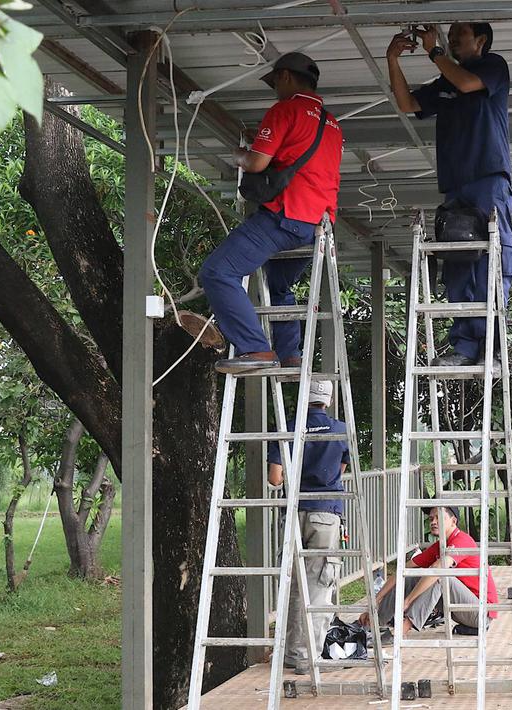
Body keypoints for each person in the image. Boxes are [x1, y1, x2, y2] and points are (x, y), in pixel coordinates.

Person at [197, 52, 343, 374]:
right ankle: (290, 354)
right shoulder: (332, 123)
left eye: (275, 82)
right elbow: (301, 158)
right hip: (319, 225)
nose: (275, 89)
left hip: (286, 216)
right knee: (278, 285)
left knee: (217, 272)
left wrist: (240, 155)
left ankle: (256, 349)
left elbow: (256, 163)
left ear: (286, 77)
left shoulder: (285, 109)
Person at [386, 23, 512, 370]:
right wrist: (393, 60)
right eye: (451, 33)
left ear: (481, 41)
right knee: (459, 262)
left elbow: (468, 83)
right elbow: (408, 103)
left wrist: (434, 52)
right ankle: (465, 346)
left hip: (488, 178)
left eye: (461, 33)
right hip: (456, 184)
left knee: (493, 258)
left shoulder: (493, 67)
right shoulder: (446, 81)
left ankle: (493, 345)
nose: (453, 37)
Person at [267, 380, 350, 673]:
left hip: (293, 513)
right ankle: (308, 657)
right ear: (328, 400)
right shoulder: (341, 429)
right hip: (325, 513)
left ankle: (292, 652)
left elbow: (275, 478)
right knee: (318, 586)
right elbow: (340, 469)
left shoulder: (288, 428)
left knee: (293, 584)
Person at [361, 506, 498, 642]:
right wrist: (375, 601)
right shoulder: (439, 546)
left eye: (439, 518)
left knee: (440, 577)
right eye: (431, 519)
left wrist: (408, 601)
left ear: (453, 521)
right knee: (411, 576)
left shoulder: (462, 540)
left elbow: (438, 569)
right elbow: (402, 570)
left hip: (480, 613)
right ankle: (373, 623)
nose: (433, 522)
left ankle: (400, 631)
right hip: (461, 609)